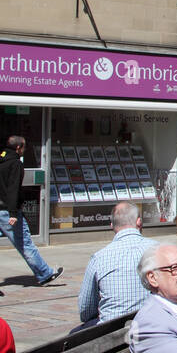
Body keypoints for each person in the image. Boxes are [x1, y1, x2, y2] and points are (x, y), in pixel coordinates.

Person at [0, 135, 63, 287]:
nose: (25, 150)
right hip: (7, 211)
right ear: (18, 148)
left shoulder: (1, 160)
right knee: (24, 243)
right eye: (24, 147)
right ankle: (45, 274)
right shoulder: (15, 164)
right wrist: (14, 213)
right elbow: (13, 189)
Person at [78, 201, 154, 325]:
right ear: (139, 221)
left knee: (75, 334)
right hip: (151, 324)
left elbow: (86, 310)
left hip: (110, 330)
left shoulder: (99, 258)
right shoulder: (158, 249)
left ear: (112, 225)